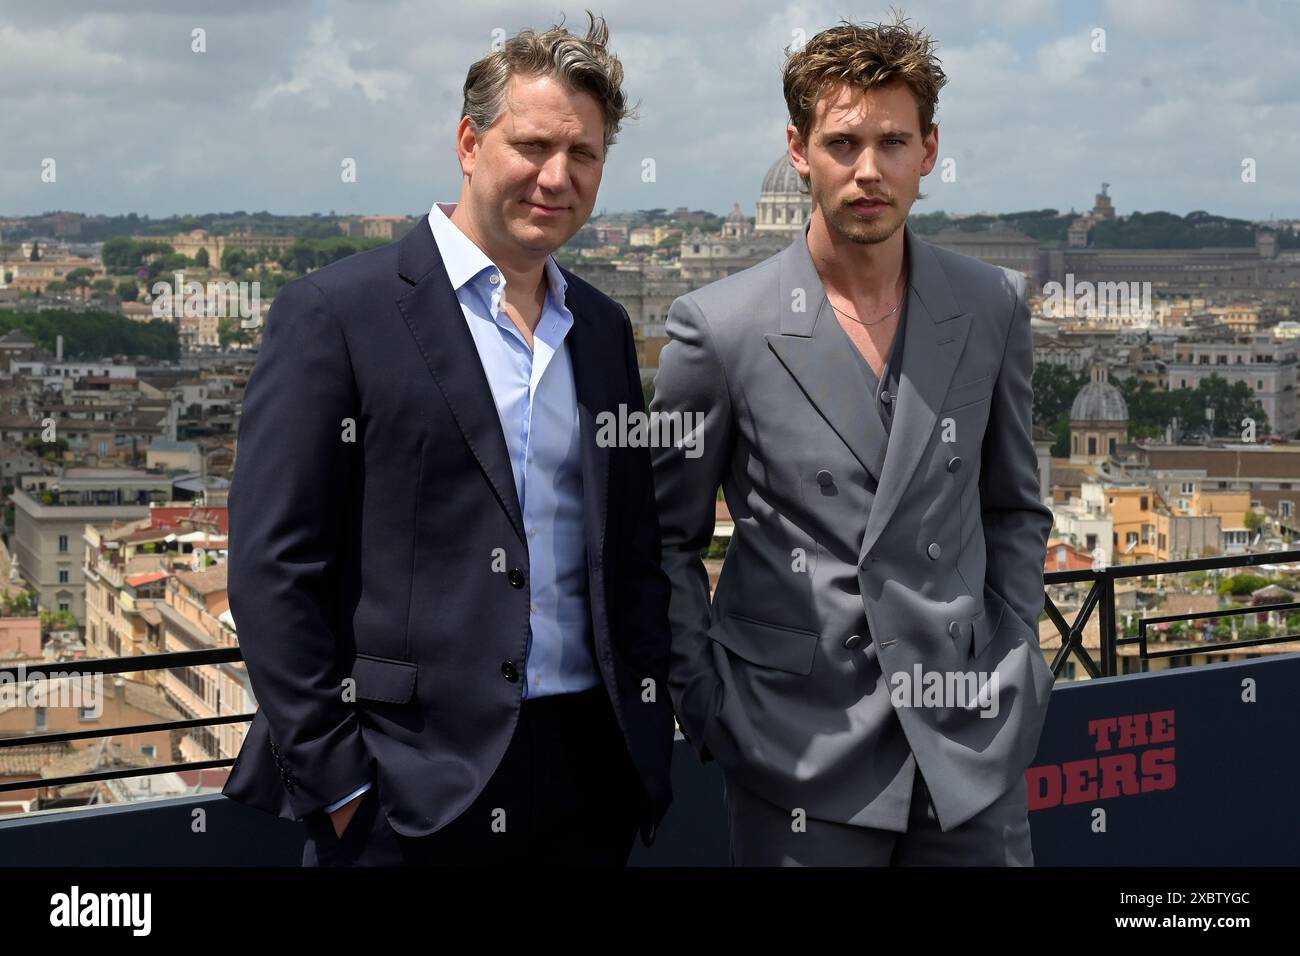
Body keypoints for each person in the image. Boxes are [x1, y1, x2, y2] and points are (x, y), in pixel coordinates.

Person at [222, 13, 673, 866]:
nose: (557, 176)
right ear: (469, 142)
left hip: (590, 768)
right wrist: (343, 784)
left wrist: (642, 736)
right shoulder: (336, 315)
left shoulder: (603, 330)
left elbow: (634, 553)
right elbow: (273, 566)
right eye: (533, 146)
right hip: (408, 786)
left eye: (583, 156)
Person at [650, 15, 1054, 866]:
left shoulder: (992, 305)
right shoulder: (717, 328)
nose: (868, 170)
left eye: (892, 142)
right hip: (797, 751)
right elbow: (663, 543)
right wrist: (711, 707)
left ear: (929, 151)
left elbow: (1014, 506)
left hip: (967, 746)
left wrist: (1016, 665)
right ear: (799, 151)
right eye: (842, 143)